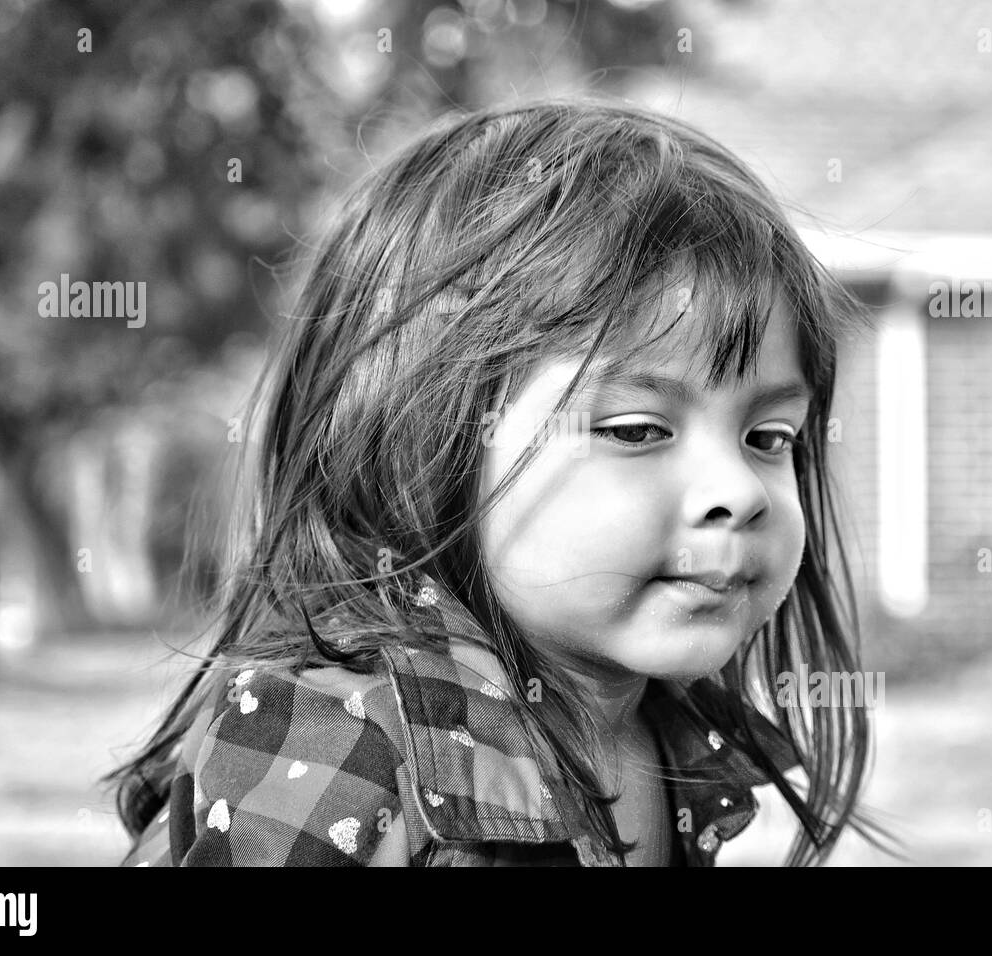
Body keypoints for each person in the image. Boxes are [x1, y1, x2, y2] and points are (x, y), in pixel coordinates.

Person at [105, 95, 900, 867]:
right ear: (422, 437)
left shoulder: (669, 738)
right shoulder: (346, 740)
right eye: (635, 431)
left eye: (769, 437)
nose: (743, 489)